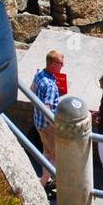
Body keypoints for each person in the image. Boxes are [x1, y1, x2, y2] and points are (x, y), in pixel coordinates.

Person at [31, 50, 64, 195]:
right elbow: (47, 110)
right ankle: (43, 184)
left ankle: (45, 180)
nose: (63, 66)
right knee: (57, 156)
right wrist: (57, 127)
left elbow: (31, 90)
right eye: (61, 63)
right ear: (53, 64)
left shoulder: (39, 75)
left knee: (47, 153)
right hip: (48, 126)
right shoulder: (50, 84)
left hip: (38, 122)